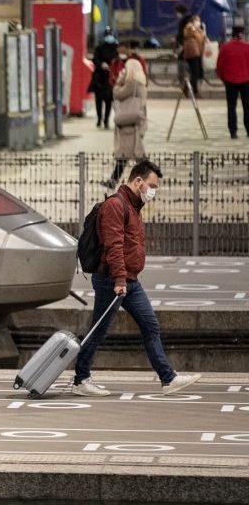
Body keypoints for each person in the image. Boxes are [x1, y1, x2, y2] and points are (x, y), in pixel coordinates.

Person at [72, 160, 201, 397]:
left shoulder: (133, 206)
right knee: (99, 329)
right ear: (138, 181)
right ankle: (81, 379)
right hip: (113, 280)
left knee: (149, 324)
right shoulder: (115, 206)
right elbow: (114, 246)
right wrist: (120, 279)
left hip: (129, 281)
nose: (153, 191)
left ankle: (168, 378)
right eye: (151, 185)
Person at [107, 58, 148, 187]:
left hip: (128, 122)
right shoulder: (141, 83)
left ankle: (149, 177)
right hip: (134, 120)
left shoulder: (131, 84)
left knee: (127, 154)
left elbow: (117, 93)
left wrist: (119, 80)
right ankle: (114, 181)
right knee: (133, 154)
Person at [215, 25, 249, 138]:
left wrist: (224, 78)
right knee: (247, 106)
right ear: (242, 34)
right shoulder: (247, 47)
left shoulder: (225, 47)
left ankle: (233, 132)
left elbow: (219, 66)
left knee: (231, 106)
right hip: (246, 81)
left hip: (230, 81)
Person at [89, 28, 119, 128]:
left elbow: (119, 61)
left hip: (111, 78)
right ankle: (99, 118)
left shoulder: (116, 48)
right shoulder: (99, 48)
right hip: (99, 77)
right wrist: (101, 64)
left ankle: (106, 120)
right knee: (98, 100)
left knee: (109, 100)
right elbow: (95, 60)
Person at [182, 14, 207, 98]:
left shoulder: (198, 29)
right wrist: (194, 29)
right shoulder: (189, 27)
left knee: (198, 73)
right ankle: (195, 92)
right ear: (193, 21)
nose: (198, 22)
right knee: (195, 73)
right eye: (197, 20)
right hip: (192, 53)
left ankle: (186, 88)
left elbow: (202, 38)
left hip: (198, 53)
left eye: (199, 20)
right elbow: (189, 35)